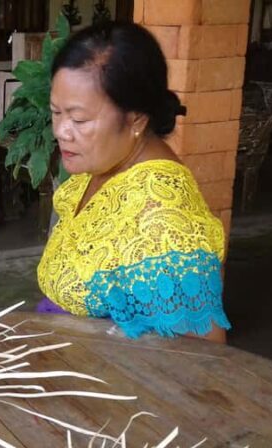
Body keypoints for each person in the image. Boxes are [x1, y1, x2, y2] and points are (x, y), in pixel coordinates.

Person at [37, 22, 231, 343]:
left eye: (79, 119)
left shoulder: (163, 219)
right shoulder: (104, 163)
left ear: (136, 118)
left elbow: (200, 353)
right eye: (56, 112)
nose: (61, 131)